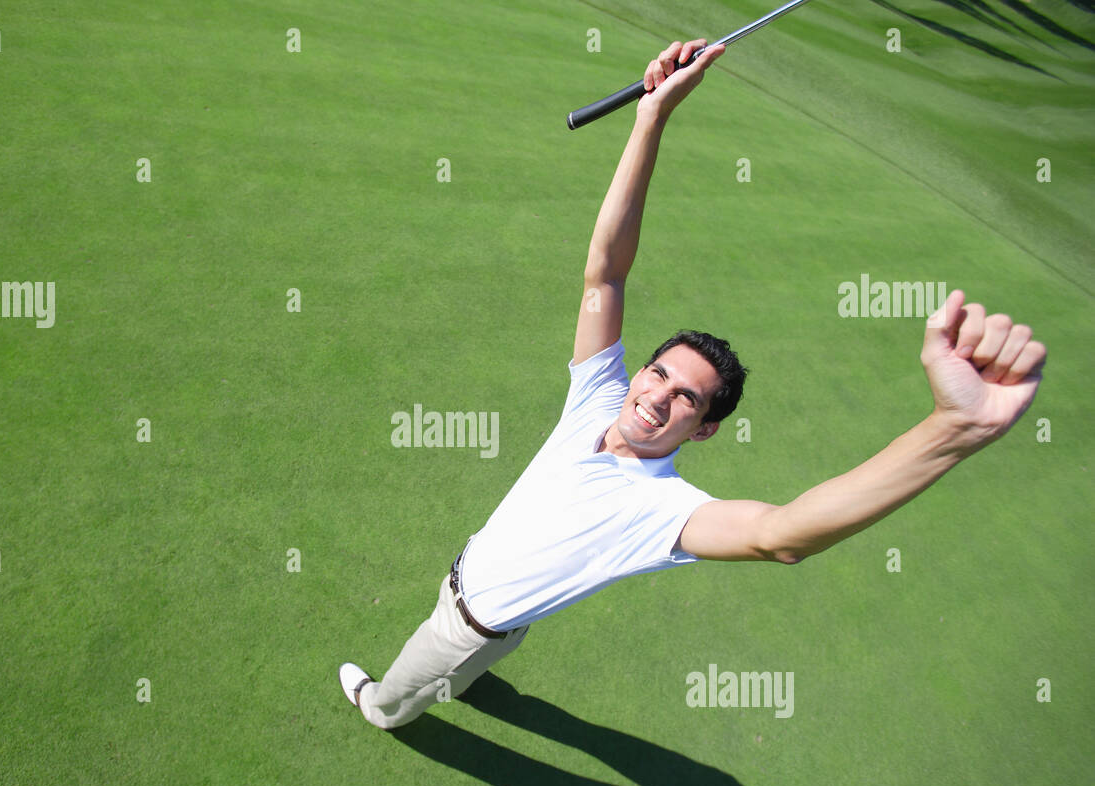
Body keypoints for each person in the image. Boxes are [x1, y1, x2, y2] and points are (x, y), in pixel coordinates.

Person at [339, 39, 1046, 730]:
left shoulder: (662, 510)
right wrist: (651, 117)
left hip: (471, 626)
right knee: (459, 667)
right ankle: (456, 680)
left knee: (404, 692)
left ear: (704, 429)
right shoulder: (597, 398)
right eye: (659, 372)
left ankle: (384, 707)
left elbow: (781, 535)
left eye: (687, 398)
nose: (658, 394)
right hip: (476, 588)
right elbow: (606, 273)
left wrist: (954, 431)